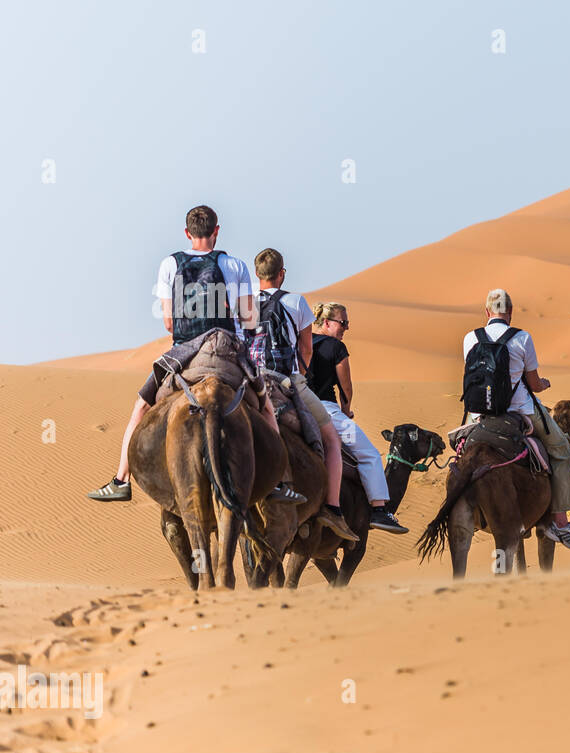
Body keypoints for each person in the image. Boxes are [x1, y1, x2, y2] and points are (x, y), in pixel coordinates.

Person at [88, 205, 303, 506]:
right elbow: (249, 319)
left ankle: (121, 480)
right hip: (229, 348)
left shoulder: (169, 265)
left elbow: (168, 322)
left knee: (140, 407)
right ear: (216, 231)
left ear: (187, 234)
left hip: (185, 352)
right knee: (267, 407)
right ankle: (279, 482)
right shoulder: (236, 265)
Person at [460, 289, 570, 552]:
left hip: (479, 414)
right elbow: (534, 384)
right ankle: (561, 523)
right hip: (520, 411)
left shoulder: (470, 338)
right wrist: (544, 384)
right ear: (510, 312)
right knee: (561, 449)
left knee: (461, 451)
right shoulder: (522, 338)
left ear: (486, 312)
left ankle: (464, 513)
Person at [245, 250, 359, 542]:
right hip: (285, 381)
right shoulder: (296, 302)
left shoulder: (242, 304)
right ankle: (332, 508)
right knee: (332, 440)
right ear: (282, 273)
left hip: (248, 382)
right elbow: (306, 349)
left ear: (257, 275)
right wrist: (301, 373)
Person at [306, 301, 408, 533]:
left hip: (297, 406)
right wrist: (346, 409)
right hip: (327, 412)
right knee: (369, 454)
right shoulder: (335, 347)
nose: (346, 328)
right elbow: (347, 387)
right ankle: (380, 510)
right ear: (328, 323)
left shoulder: (302, 341)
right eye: (343, 323)